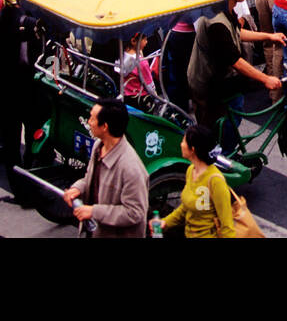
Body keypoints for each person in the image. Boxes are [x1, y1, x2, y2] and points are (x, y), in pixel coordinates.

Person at [63, 99, 150, 238]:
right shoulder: (99, 146)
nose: (89, 122)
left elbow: (135, 213)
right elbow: (90, 178)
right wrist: (77, 188)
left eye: (92, 118)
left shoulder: (131, 168)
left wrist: (93, 212)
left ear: (105, 126)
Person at [155, 124, 235, 237]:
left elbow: (227, 226)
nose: (181, 144)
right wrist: (165, 222)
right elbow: (186, 207)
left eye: (183, 141)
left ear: (193, 149)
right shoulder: (191, 170)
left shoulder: (216, 181)